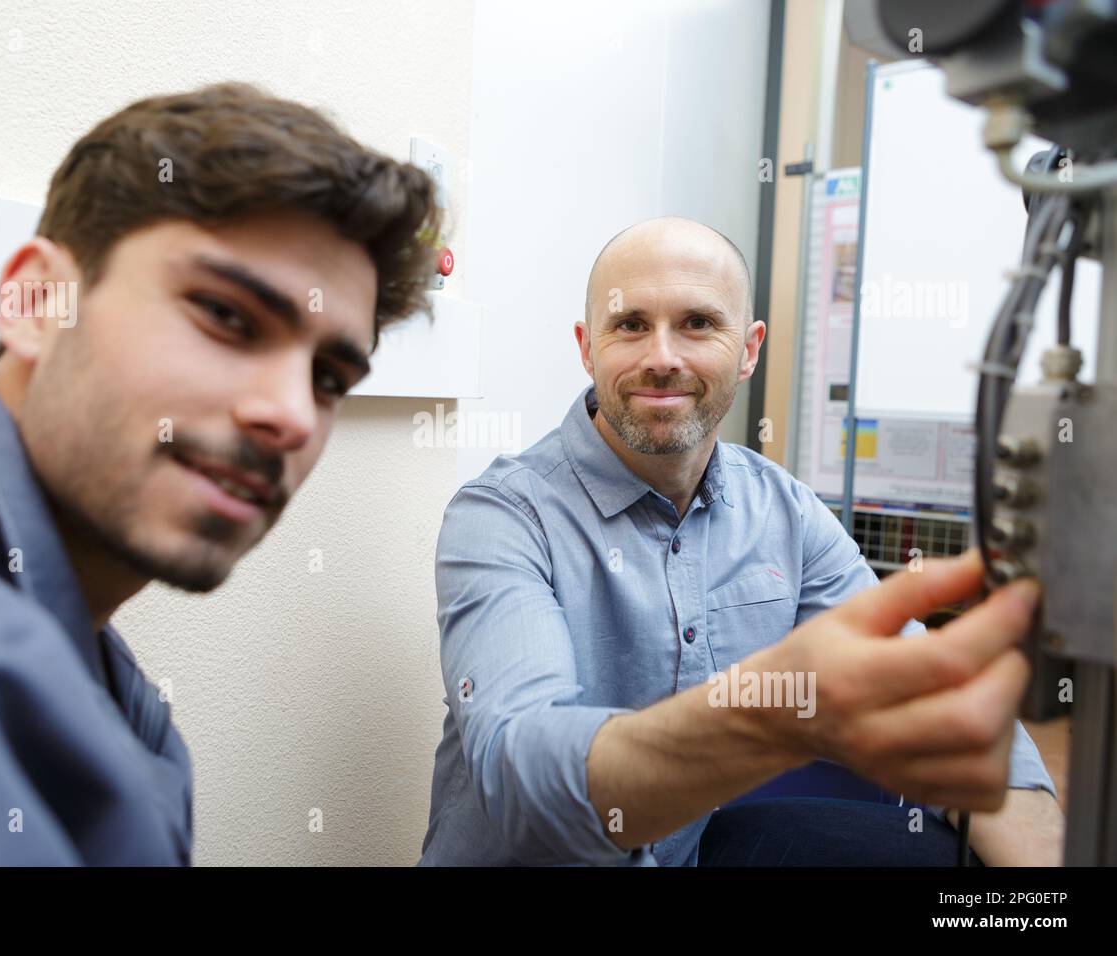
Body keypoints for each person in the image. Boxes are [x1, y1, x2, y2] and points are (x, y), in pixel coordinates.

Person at [0, 82, 440, 864]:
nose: (290, 416)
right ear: (38, 302)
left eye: (328, 379)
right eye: (226, 316)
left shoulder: (74, 653)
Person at [420, 216, 1063, 866]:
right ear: (588, 347)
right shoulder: (500, 516)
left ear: (750, 348)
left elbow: (933, 697)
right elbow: (523, 772)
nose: (662, 356)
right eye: (631, 324)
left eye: (698, 323)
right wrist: (765, 718)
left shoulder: (783, 512)